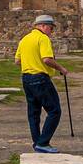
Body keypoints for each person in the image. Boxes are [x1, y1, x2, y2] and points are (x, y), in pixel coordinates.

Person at [14, 14, 68, 154]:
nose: (51, 31)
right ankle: (43, 142)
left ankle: (37, 142)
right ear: (43, 26)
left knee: (33, 112)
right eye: (50, 28)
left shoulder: (24, 39)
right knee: (54, 110)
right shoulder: (43, 38)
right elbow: (46, 59)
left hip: (26, 78)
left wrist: (30, 63)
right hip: (40, 78)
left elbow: (17, 61)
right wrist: (61, 68)